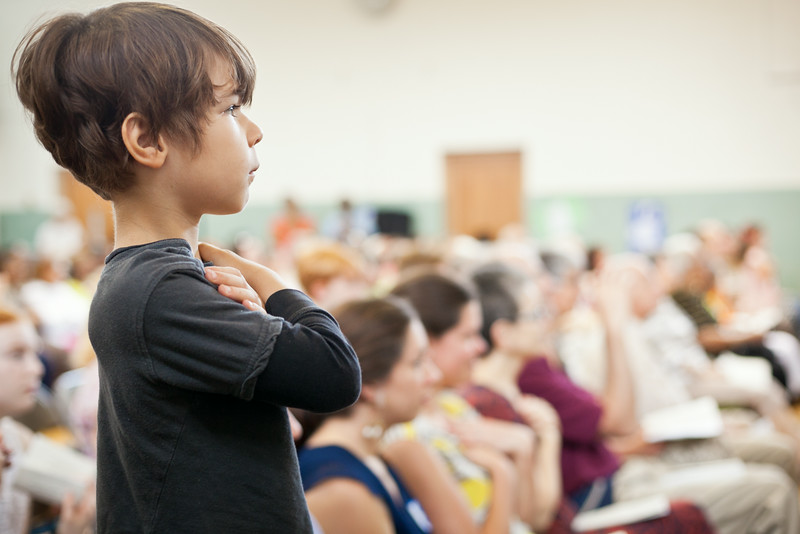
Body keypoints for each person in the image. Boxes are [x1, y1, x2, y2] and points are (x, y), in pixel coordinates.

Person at [13, 4, 361, 533]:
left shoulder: (157, 281)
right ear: (148, 140)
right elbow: (334, 373)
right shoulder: (159, 290)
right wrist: (271, 284)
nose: (255, 131)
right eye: (231, 109)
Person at [298, 297, 439, 534]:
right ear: (369, 383)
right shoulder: (343, 490)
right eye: (417, 363)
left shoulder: (369, 455)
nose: (434, 375)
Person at [0, 307, 95, 534]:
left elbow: (90, 483)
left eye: (35, 354)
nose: (37, 369)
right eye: (16, 355)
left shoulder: (16, 437)